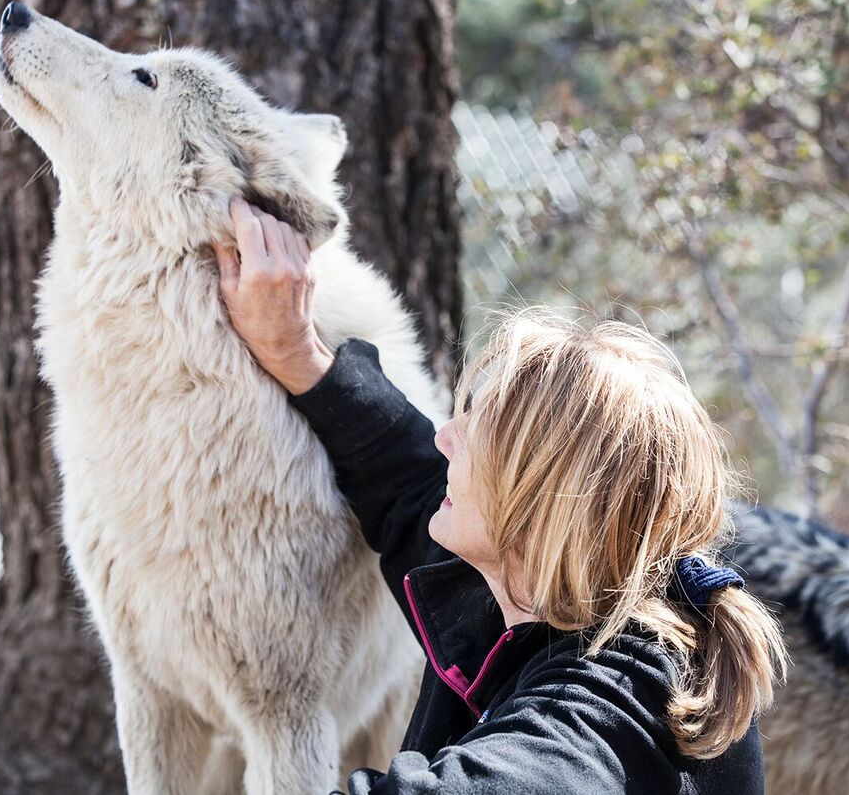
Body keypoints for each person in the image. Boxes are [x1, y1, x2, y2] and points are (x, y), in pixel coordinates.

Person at [213, 198, 788, 794]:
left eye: (473, 436)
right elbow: (406, 481)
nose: (444, 440)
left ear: (537, 502)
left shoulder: (599, 718)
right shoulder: (555, 599)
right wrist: (295, 352)